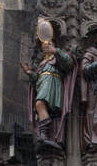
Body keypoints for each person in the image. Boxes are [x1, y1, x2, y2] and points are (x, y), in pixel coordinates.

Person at [21, 18, 75, 153]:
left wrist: (56, 51)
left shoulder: (57, 57)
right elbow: (36, 83)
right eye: (44, 45)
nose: (46, 46)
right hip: (44, 85)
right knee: (39, 105)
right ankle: (45, 134)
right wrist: (30, 73)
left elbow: (69, 64)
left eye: (49, 44)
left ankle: (47, 133)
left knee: (39, 104)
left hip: (53, 84)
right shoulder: (42, 63)